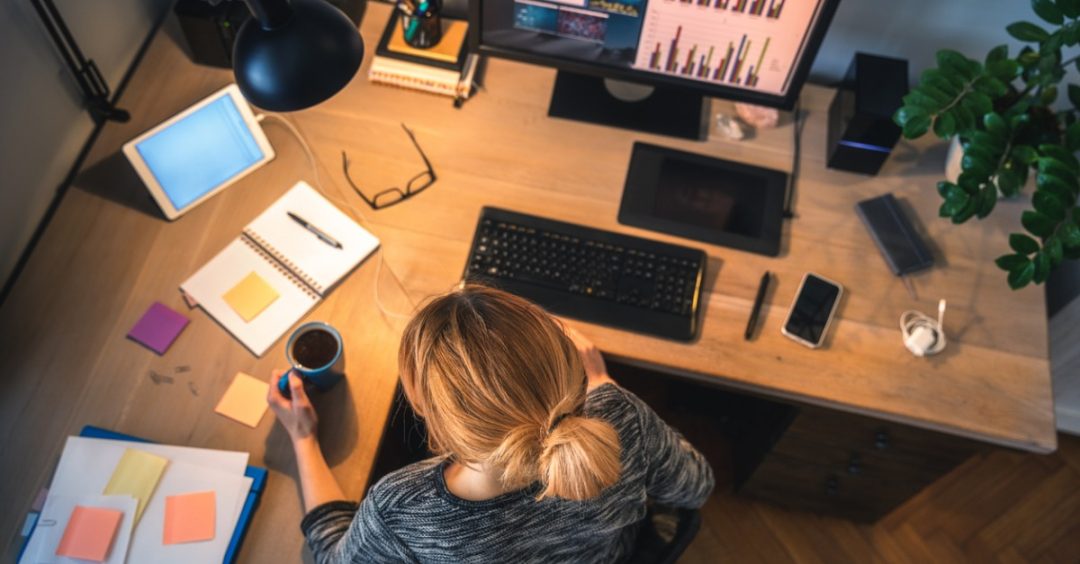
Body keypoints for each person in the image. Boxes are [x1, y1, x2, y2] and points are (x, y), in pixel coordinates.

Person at [268, 285, 714, 563]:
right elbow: (695, 487)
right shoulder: (620, 417)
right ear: (566, 365)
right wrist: (605, 385)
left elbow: (336, 557)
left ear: (424, 409)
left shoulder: (402, 510)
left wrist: (304, 439)